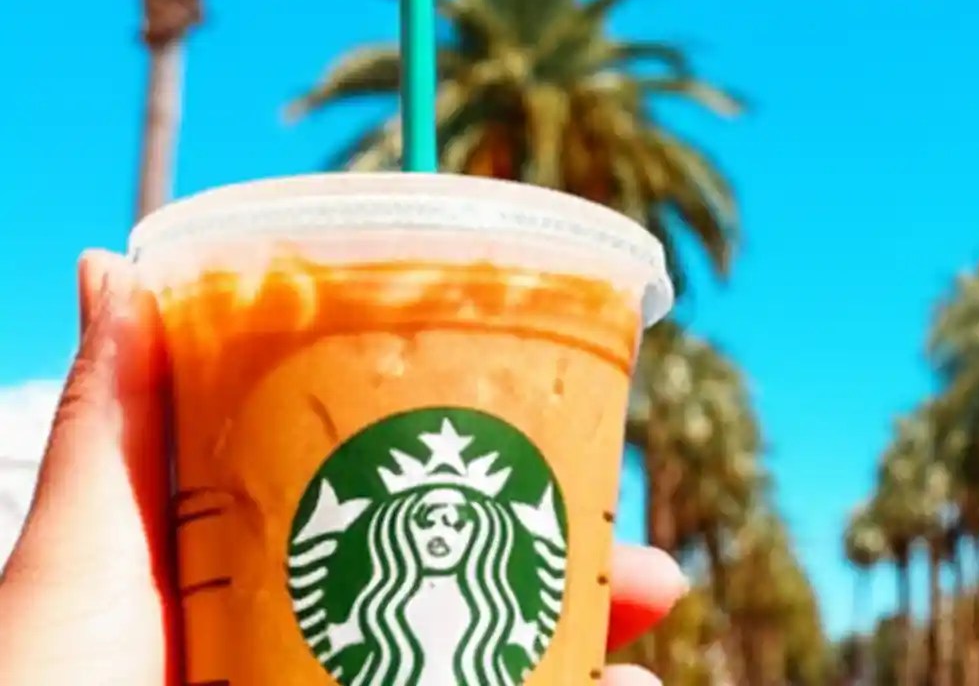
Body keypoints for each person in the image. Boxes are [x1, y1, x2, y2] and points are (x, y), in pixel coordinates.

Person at [0, 251, 684, 686]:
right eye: (427, 517)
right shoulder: (372, 622)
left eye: (457, 519)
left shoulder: (490, 619)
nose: (441, 531)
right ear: (397, 526)